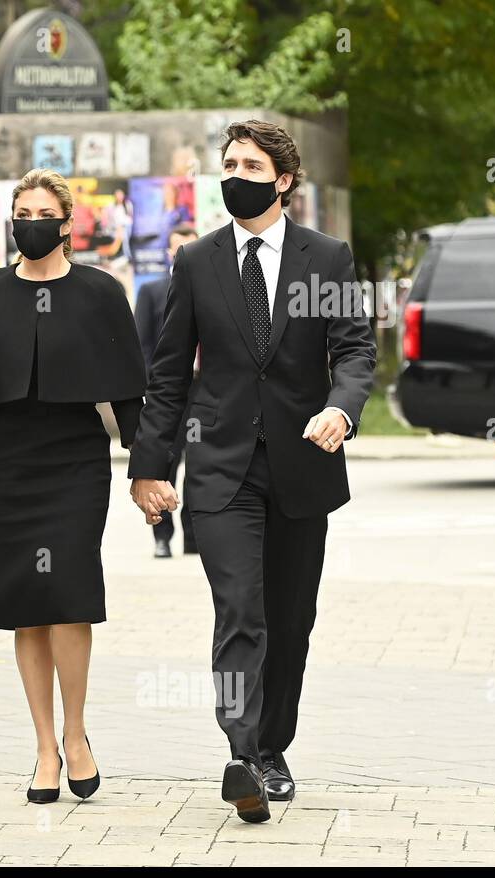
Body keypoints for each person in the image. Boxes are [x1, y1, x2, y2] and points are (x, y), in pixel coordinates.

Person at [127, 121, 376, 823]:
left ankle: (272, 747)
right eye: (229, 162)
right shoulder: (196, 262)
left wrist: (342, 409)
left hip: (304, 464)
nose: (236, 172)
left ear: (284, 180)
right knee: (240, 610)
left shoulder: (325, 258)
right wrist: (149, 469)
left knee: (290, 621)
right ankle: (240, 752)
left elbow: (355, 351)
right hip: (222, 473)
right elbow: (168, 377)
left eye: (251, 163)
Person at [0, 168, 146, 804]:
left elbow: (130, 395)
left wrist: (149, 471)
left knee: (69, 593)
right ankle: (44, 748)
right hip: (8, 465)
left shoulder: (100, 293)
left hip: (76, 463)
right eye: (20, 211)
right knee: (26, 605)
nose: (29, 221)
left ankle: (78, 733)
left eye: (41, 211)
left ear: (66, 223)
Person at [133, 225, 198, 558]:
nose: (183, 251)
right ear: (169, 252)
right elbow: (142, 345)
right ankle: (161, 536)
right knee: (165, 466)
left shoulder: (212, 289)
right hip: (169, 395)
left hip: (203, 397)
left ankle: (193, 537)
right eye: (178, 246)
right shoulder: (153, 292)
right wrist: (152, 393)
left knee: (199, 468)